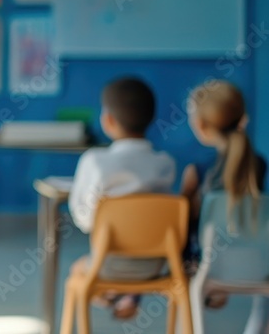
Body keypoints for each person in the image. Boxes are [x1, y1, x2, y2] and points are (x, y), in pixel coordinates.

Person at [68, 76, 177, 320]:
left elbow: (84, 220)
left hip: (107, 264)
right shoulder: (165, 164)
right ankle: (125, 295)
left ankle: (114, 294)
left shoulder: (94, 161)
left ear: (107, 120)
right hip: (156, 265)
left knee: (77, 270)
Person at [179, 80, 266, 311]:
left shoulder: (196, 172)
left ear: (200, 125)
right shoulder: (260, 167)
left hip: (210, 268)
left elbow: (182, 227)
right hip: (261, 264)